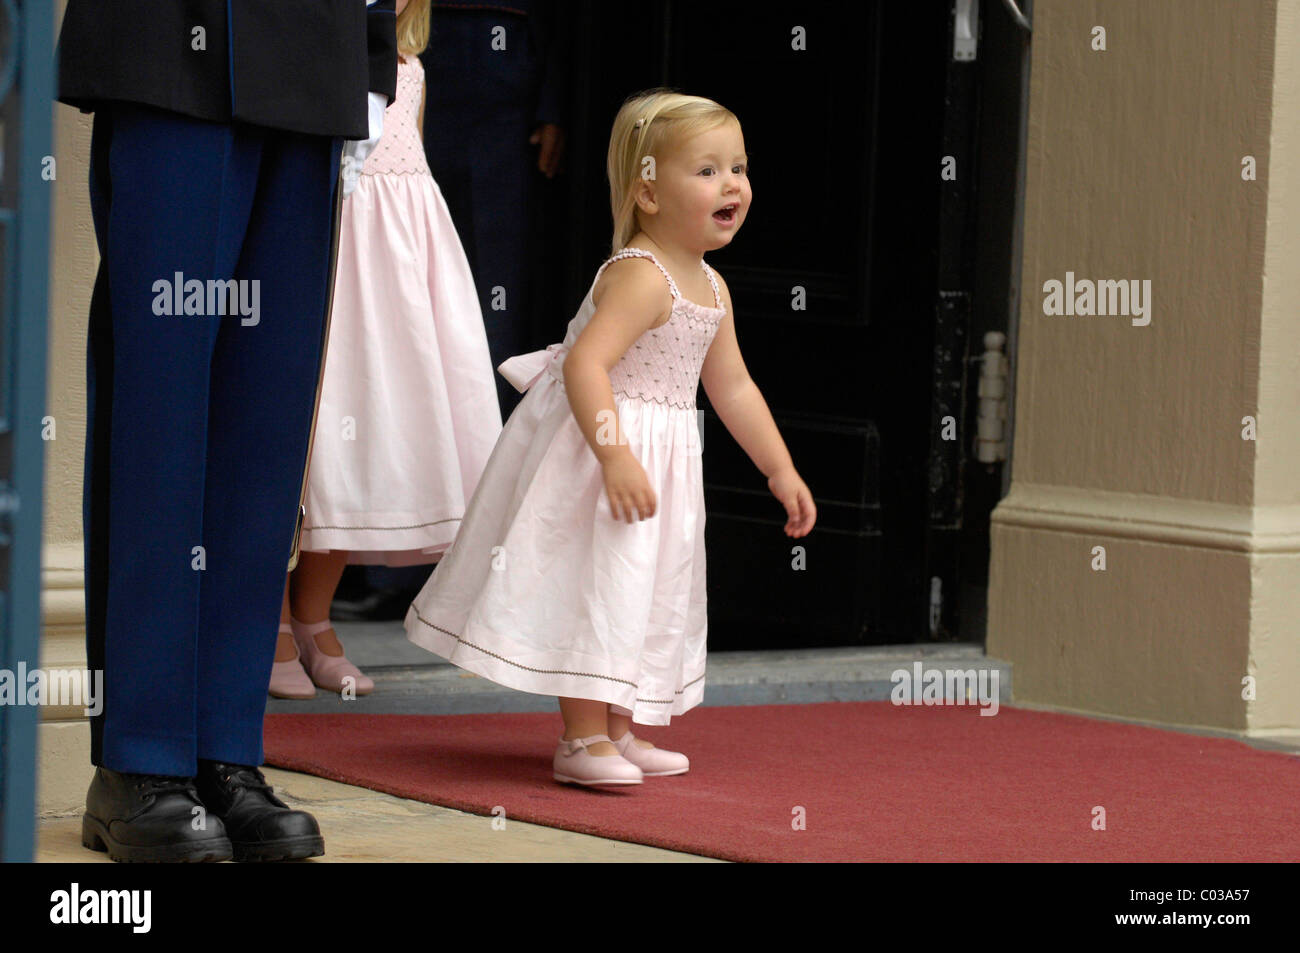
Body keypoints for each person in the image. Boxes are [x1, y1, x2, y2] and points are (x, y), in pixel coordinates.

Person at [56, 0, 398, 861]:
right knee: (160, 417)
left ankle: (223, 753)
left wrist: (368, 57)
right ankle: (140, 761)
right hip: (171, 41)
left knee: (264, 430)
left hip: (312, 60)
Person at [404, 89, 818, 787]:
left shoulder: (712, 288)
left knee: (640, 589)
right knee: (595, 583)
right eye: (708, 170)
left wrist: (780, 469)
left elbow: (734, 386)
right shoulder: (640, 275)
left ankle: (619, 728)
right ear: (649, 195)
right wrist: (614, 451)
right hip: (602, 456)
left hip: (664, 464)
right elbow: (585, 364)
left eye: (739, 167)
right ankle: (581, 737)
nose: (733, 184)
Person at [270, 0, 502, 700]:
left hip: (397, 282)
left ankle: (313, 617)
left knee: (365, 447)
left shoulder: (414, 72)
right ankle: (269, 617)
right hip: (334, 267)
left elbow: (411, 180)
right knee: (309, 447)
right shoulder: (314, 60)